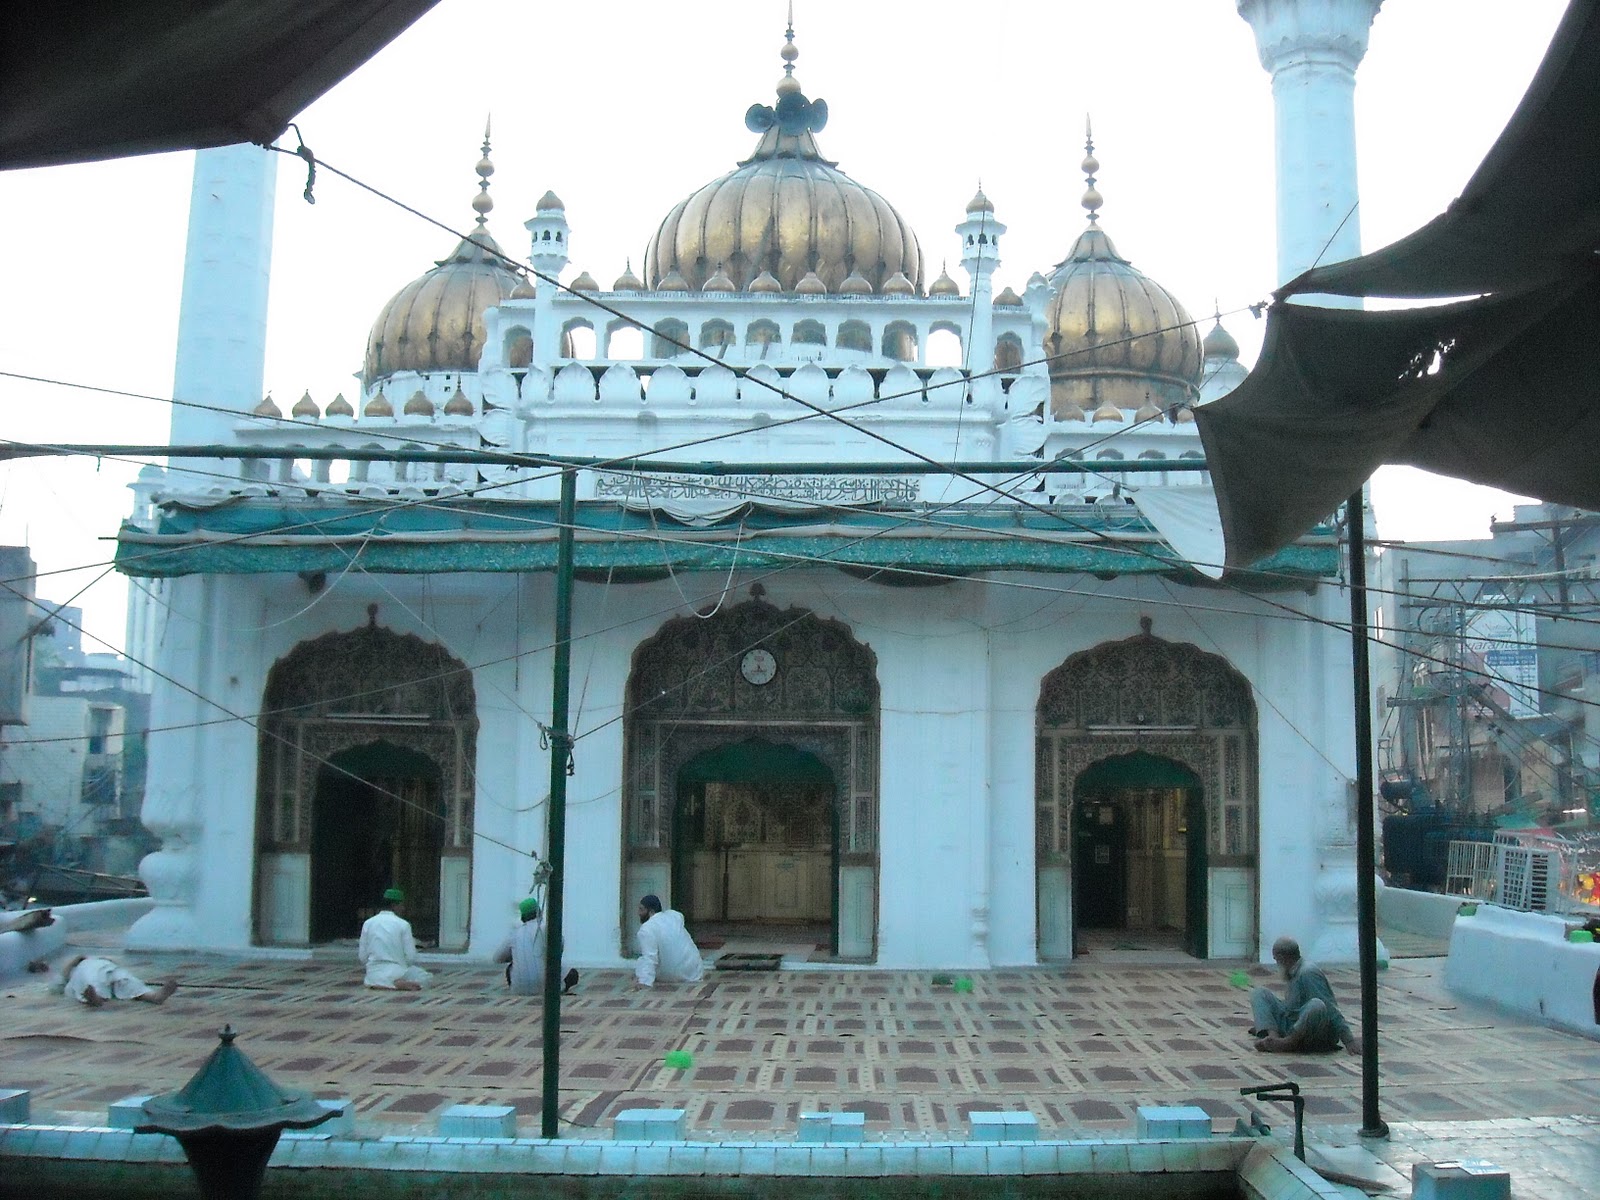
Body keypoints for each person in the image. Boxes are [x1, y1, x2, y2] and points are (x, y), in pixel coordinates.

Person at [1248, 935, 1361, 1054]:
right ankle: (1273, 1038)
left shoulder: (1308, 973)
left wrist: (1349, 1040)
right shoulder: (1292, 971)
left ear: (1282, 957)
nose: (1277, 964)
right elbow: (1290, 1009)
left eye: (1276, 959)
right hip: (1293, 1022)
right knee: (1260, 993)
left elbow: (1330, 1008)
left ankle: (1288, 1042)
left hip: (1312, 1030)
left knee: (1317, 1005)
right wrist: (1267, 1021)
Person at [358, 887, 431, 991]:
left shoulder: (368, 923)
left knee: (378, 976)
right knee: (425, 977)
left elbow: (362, 957)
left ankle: (382, 983)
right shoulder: (403, 924)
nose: (403, 908)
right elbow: (411, 957)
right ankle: (395, 983)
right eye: (402, 905)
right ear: (395, 905)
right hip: (397, 972)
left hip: (372, 975)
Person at [634, 894, 704, 988]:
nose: (638, 913)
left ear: (651, 911)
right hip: (695, 971)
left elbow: (650, 958)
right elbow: (680, 917)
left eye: (641, 909)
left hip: (673, 973)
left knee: (641, 963)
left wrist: (644, 982)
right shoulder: (673, 916)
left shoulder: (646, 929)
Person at [58, 954, 177, 1006]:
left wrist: (77, 960)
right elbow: (63, 976)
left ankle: (154, 996)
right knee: (124, 979)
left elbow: (62, 977)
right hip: (102, 968)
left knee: (124, 979)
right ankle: (152, 995)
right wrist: (77, 960)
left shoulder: (85, 965)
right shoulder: (78, 968)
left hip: (105, 967)